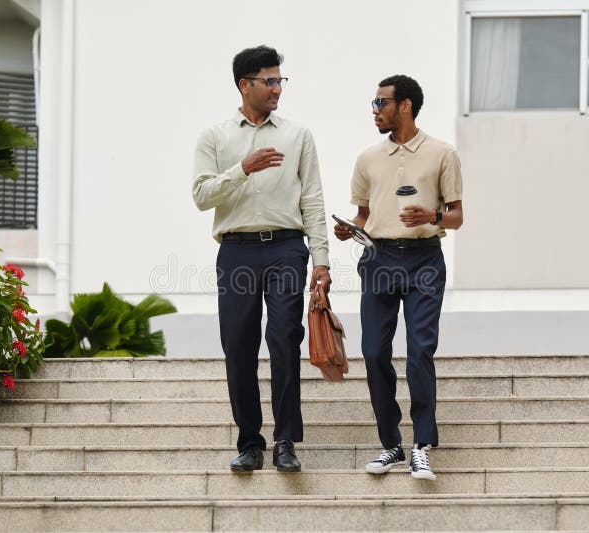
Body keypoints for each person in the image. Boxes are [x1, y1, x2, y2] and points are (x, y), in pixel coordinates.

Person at [192, 45, 331, 473]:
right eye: (269, 81)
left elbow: (313, 199)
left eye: (279, 80)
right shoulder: (215, 137)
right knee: (238, 345)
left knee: (285, 337)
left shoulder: (298, 135)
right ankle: (250, 442)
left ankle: (286, 440)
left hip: (287, 247)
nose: (277, 89)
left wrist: (321, 260)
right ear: (244, 84)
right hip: (236, 251)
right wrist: (243, 169)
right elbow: (201, 196)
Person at [334, 74, 463, 481]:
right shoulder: (367, 158)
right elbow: (363, 215)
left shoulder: (442, 153)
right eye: (374, 103)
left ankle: (421, 445)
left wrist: (432, 215)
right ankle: (390, 444)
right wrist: (349, 229)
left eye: (381, 103)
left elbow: (457, 216)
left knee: (420, 350)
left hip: (425, 259)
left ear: (404, 106)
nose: (375, 110)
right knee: (374, 352)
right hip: (379, 258)